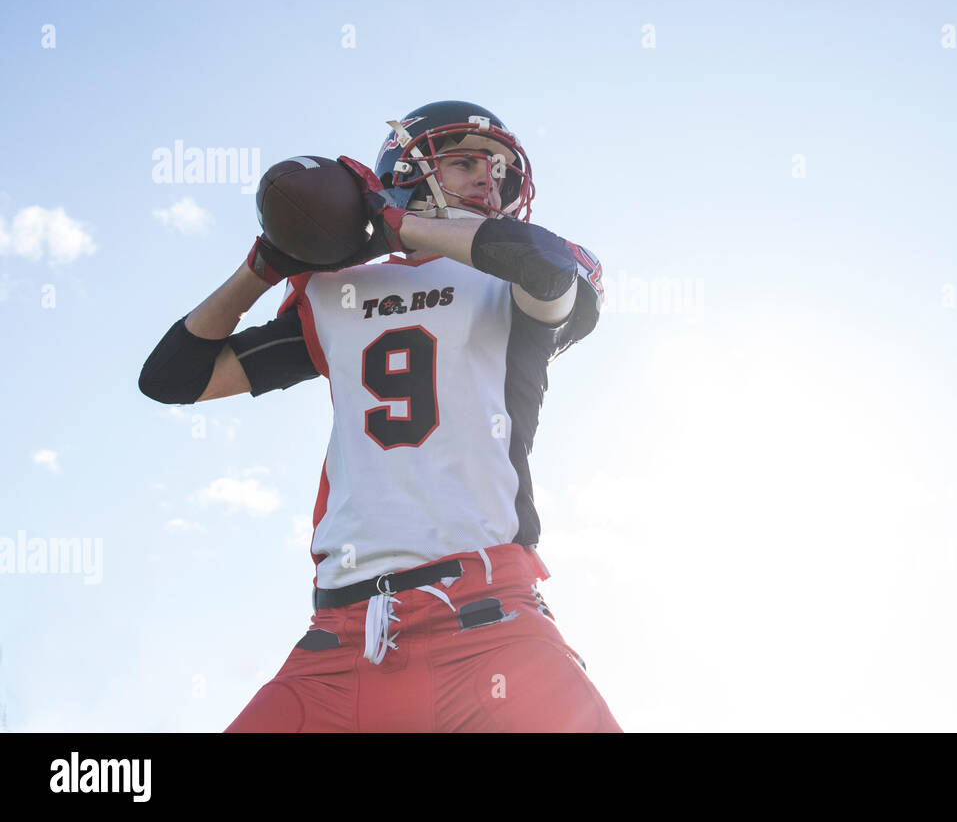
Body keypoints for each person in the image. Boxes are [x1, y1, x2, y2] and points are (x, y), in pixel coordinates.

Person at [139, 101, 620, 732]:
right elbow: (173, 379)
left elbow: (549, 267)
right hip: (341, 640)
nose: (490, 180)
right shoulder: (338, 293)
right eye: (467, 161)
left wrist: (398, 227)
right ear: (407, 170)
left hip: (489, 621)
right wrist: (264, 265)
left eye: (500, 169)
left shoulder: (517, 281)